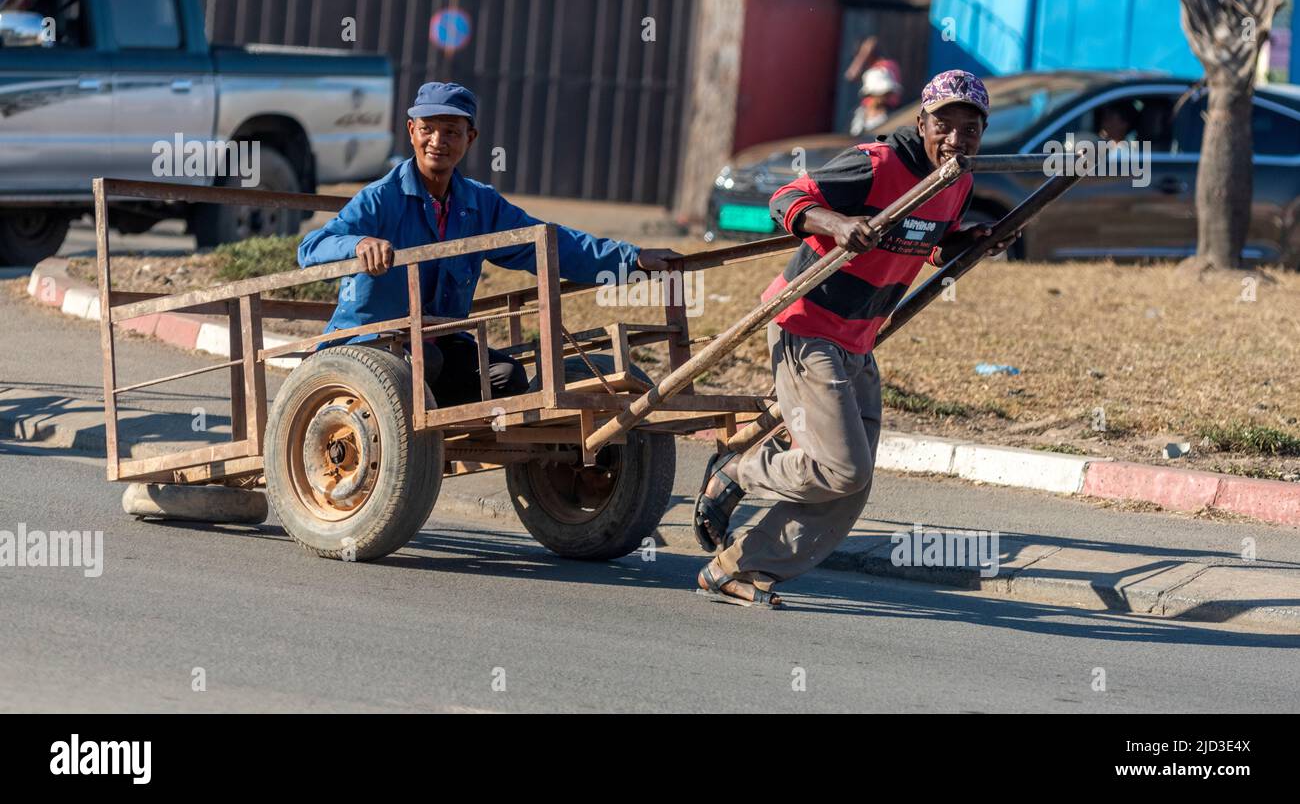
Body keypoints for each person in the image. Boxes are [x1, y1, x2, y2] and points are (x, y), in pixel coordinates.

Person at [692, 70, 1016, 608]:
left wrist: (974, 241)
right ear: (921, 122)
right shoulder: (875, 163)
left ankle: (736, 567)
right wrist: (837, 223)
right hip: (806, 325)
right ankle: (741, 468)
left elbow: (932, 244)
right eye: (945, 124)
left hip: (859, 339)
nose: (957, 139)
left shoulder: (956, 180)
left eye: (970, 128)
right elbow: (787, 200)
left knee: (852, 484)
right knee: (841, 468)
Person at [298, 82, 677, 406]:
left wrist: (633, 259)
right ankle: (410, 450)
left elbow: (549, 243)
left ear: (470, 138)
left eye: (451, 131)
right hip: (368, 346)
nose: (437, 142)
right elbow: (311, 248)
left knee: (506, 376)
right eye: (428, 129)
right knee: (421, 362)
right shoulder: (381, 198)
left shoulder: (479, 205)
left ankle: (446, 441)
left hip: (436, 341)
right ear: (411, 130)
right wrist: (359, 243)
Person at [844, 35, 903, 135]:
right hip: (868, 113)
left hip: (885, 113)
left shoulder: (886, 66)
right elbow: (850, 76)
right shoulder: (869, 70)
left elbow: (893, 98)